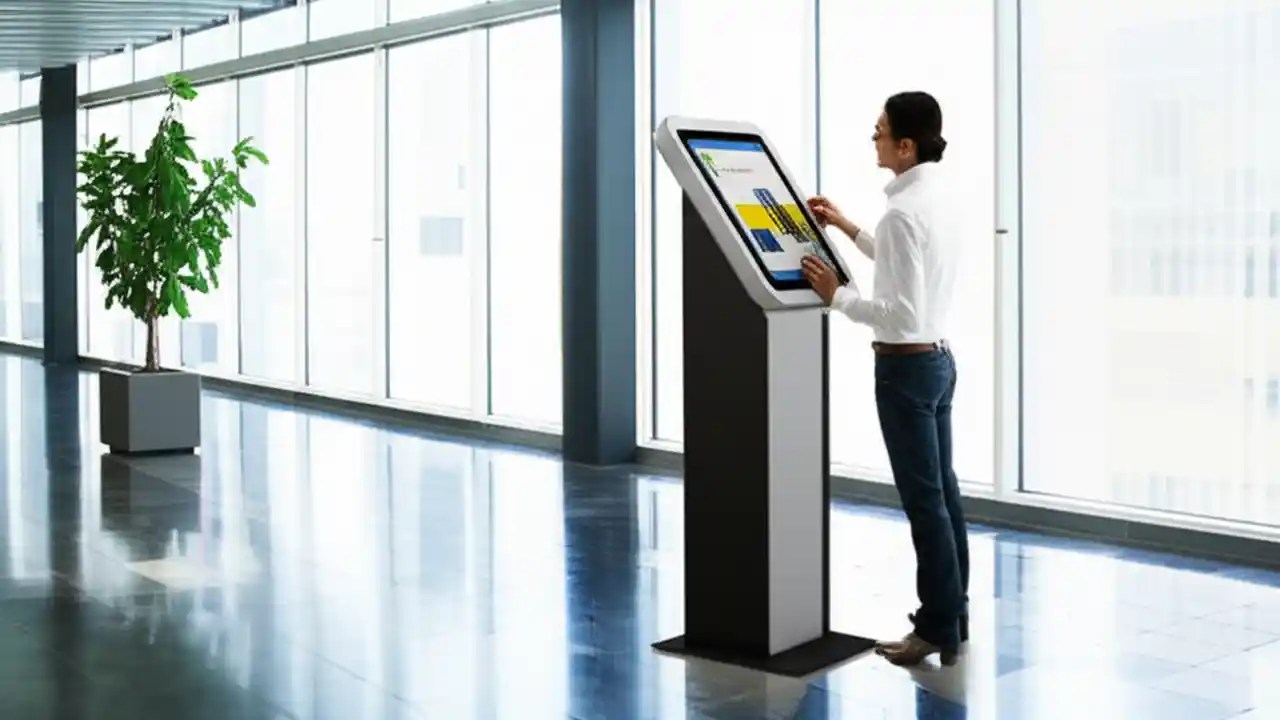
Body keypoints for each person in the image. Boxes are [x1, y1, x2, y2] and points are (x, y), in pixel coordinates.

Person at [800, 91, 968, 667]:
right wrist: (847, 226)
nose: (872, 140)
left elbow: (898, 312)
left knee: (925, 505)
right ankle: (953, 619)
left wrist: (838, 297)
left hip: (905, 370)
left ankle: (934, 628)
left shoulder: (901, 213)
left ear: (905, 144)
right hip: (940, 364)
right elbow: (904, 266)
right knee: (944, 496)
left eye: (878, 132)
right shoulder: (936, 197)